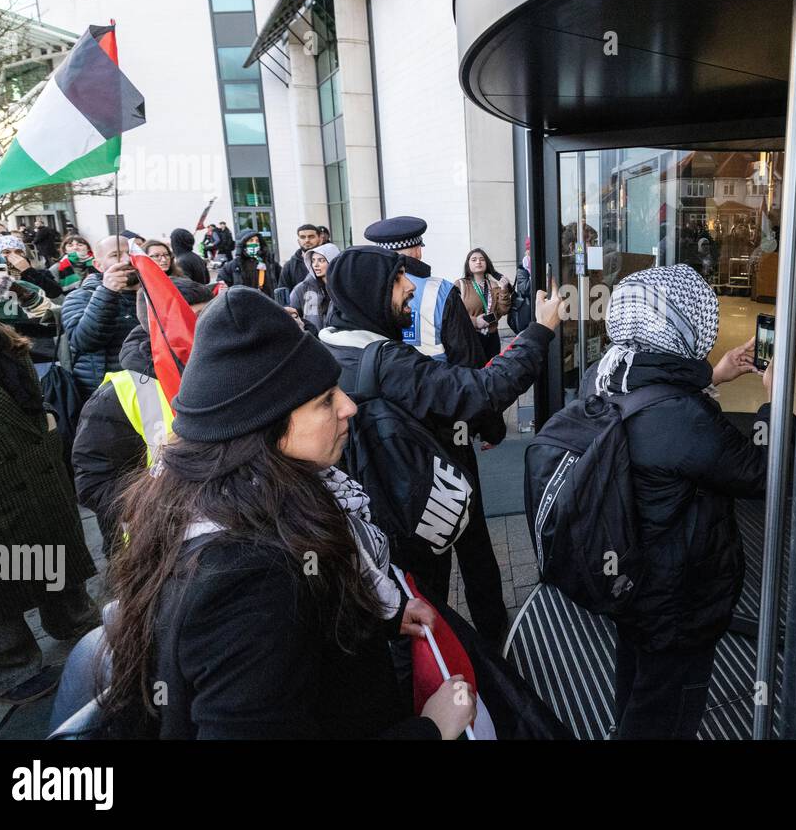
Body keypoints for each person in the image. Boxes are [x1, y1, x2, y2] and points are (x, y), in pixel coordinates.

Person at [94, 286, 473, 739]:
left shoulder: (229, 498)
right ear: (266, 429)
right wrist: (431, 730)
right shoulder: (249, 579)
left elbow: (303, 634)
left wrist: (384, 618)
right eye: (326, 400)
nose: (348, 407)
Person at [318, 246, 562, 650]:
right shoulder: (385, 361)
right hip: (415, 513)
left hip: (379, 518)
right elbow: (479, 390)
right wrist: (540, 331)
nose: (408, 289)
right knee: (426, 601)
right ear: (370, 292)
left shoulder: (327, 345)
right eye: (397, 280)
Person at [588, 265, 771, 739]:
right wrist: (774, 402)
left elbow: (658, 403)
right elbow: (761, 474)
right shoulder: (682, 416)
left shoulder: (607, 373)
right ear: (680, 327)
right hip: (676, 597)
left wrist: (714, 375)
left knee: (639, 680)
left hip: (630, 579)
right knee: (668, 708)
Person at [0, 272, 99, 705]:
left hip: (34, 469)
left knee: (53, 545)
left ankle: (73, 622)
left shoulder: (1, 342)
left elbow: (24, 396)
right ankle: (6, 666)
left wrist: (44, 417)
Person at [73, 278, 215, 557]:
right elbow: (94, 482)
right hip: (157, 549)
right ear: (158, 326)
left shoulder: (227, 370)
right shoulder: (118, 394)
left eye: (209, 316)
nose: (207, 328)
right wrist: (163, 506)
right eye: (193, 318)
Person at [365, 216, 484, 368]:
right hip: (437, 385)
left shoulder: (361, 289)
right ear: (418, 251)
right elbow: (468, 359)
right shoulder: (441, 291)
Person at [60, 236, 142, 398]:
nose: (126, 260)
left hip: (151, 386)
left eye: (130, 253)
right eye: (115, 255)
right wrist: (108, 292)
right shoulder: (81, 297)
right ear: (98, 265)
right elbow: (84, 341)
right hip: (109, 394)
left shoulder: (152, 294)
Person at [457, 248, 513, 362]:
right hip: (470, 337)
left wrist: (503, 289)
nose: (478, 262)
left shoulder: (494, 285)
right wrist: (475, 321)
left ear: (487, 264)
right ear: (468, 265)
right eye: (474, 260)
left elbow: (503, 310)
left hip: (492, 337)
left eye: (482, 259)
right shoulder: (461, 285)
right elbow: (455, 313)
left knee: (491, 371)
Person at [289, 242, 340, 332]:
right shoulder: (302, 288)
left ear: (333, 261)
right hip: (312, 340)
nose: (315, 265)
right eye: (313, 260)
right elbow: (292, 315)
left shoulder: (344, 288)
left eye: (321, 260)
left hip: (338, 341)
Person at [0, 233, 63, 298]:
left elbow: (55, 293)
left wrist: (28, 271)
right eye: (6, 252)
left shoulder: (40, 273)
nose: (14, 255)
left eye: (18, 252)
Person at [217, 229, 280, 296]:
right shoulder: (234, 265)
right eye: (251, 241)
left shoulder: (269, 262)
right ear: (243, 244)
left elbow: (281, 280)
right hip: (243, 304)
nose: (255, 243)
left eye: (257, 241)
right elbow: (222, 283)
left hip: (268, 302)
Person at [279, 224, 322, 293]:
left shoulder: (330, 260)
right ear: (298, 241)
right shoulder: (289, 266)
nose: (307, 240)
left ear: (320, 239)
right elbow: (283, 292)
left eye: (311, 237)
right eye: (303, 237)